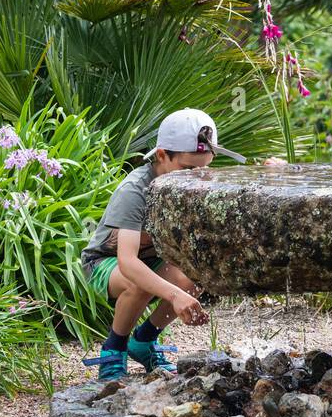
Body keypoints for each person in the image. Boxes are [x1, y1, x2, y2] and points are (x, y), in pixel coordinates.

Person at [81, 109, 284, 381]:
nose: (197, 177)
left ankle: (143, 341)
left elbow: (237, 191)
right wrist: (175, 295)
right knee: (140, 281)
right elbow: (128, 263)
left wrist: (272, 177)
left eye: (205, 168)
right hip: (106, 264)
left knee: (200, 273)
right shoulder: (135, 191)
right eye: (189, 169)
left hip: (154, 260)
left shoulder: (194, 176)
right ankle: (113, 349)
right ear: (162, 155)